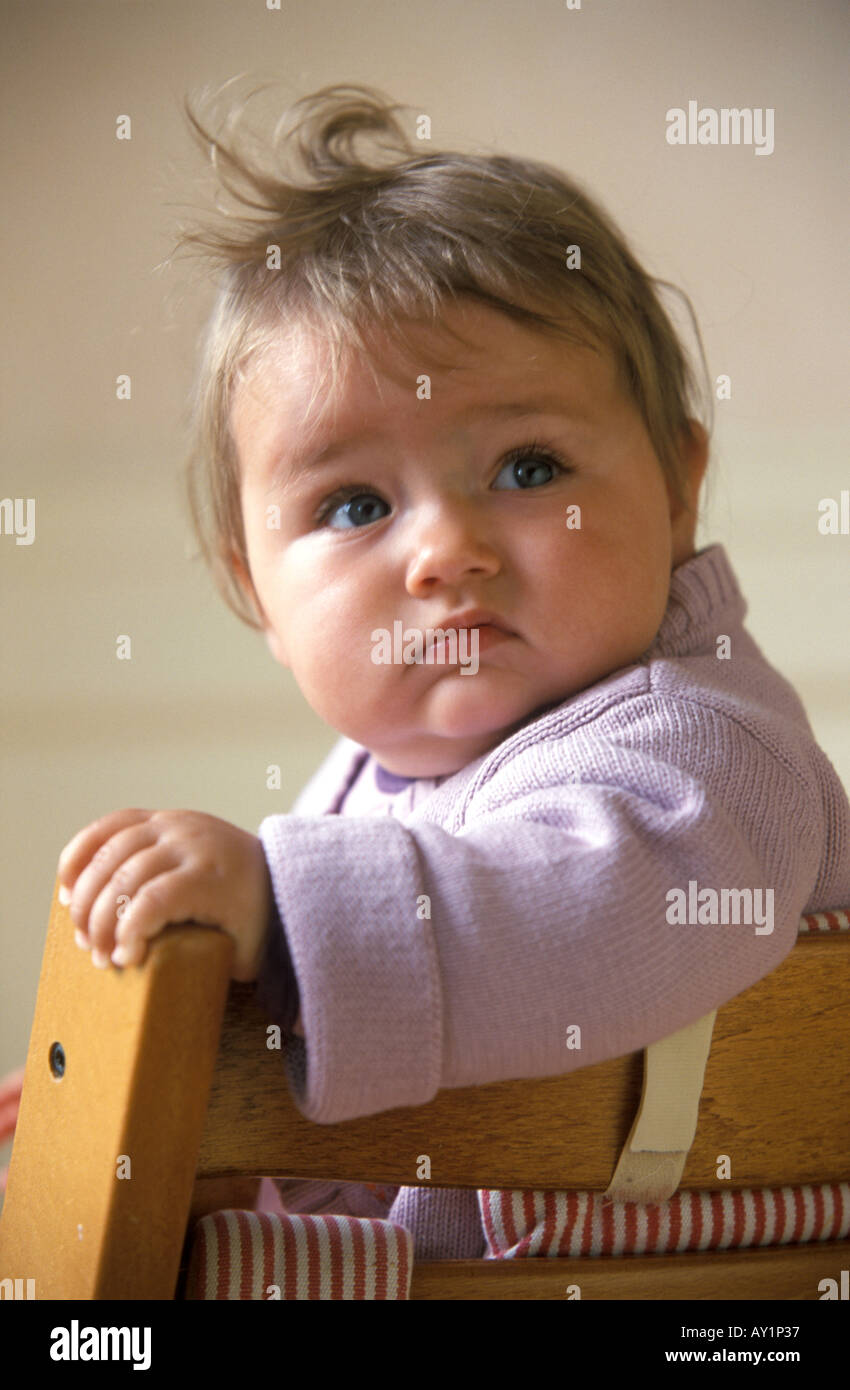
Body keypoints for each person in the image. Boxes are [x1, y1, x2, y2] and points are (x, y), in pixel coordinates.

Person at [6, 84, 850, 1263]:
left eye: (526, 463)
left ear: (674, 485)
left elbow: (577, 918)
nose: (446, 549)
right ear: (255, 587)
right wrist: (164, 1090)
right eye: (354, 503)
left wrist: (282, 912)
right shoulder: (363, 788)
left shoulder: (700, 748)